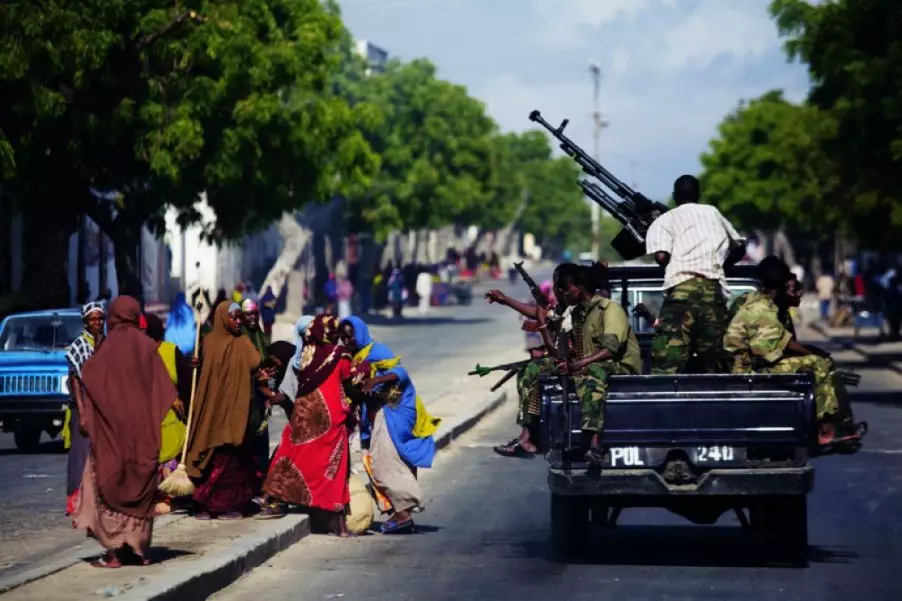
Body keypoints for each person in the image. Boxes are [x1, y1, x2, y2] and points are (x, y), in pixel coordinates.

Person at [72, 296, 178, 568]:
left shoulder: (107, 348)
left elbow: (89, 377)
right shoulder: (146, 345)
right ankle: (140, 550)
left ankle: (114, 553)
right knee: (140, 485)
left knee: (109, 483)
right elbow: (164, 391)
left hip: (112, 433)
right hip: (143, 433)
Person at [722, 258, 866, 448]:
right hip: (744, 372)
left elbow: (784, 342)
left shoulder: (766, 305)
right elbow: (769, 353)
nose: (797, 292)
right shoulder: (762, 309)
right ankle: (825, 430)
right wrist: (810, 357)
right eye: (790, 287)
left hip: (749, 365)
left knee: (817, 361)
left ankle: (839, 423)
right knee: (817, 365)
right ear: (779, 287)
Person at [339, 316, 439, 534]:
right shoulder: (354, 356)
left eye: (350, 335)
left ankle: (404, 510)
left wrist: (376, 381)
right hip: (377, 416)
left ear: (359, 332)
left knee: (385, 464)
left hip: (392, 413)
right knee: (382, 462)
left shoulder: (377, 350)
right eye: (343, 337)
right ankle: (400, 511)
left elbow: (400, 373)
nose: (347, 340)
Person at [534, 263, 642, 464]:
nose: (563, 294)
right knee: (536, 369)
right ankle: (533, 433)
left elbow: (611, 349)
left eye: (566, 288)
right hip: (593, 364)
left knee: (590, 371)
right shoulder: (577, 314)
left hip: (620, 366)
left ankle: (594, 443)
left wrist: (580, 363)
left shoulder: (609, 309)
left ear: (579, 287)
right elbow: (570, 349)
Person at [259, 316, 356, 535]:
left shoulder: (304, 355)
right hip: (331, 417)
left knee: (298, 457)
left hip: (304, 417)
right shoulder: (340, 355)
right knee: (333, 468)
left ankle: (275, 497)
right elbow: (348, 384)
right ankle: (339, 526)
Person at [646, 174, 745, 374]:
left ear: (674, 196)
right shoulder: (712, 213)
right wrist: (720, 265)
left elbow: (662, 257)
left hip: (681, 293)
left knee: (669, 358)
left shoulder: (666, 219)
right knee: (715, 357)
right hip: (713, 291)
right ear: (698, 194)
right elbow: (739, 247)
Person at [185, 302, 262, 520]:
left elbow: (256, 362)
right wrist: (194, 363)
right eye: (234, 318)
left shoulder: (243, 342)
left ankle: (229, 505)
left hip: (234, 412)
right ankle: (204, 505)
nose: (238, 322)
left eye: (240, 318)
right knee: (209, 455)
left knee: (231, 459)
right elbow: (197, 371)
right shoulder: (207, 342)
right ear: (222, 318)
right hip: (212, 411)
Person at [140, 314, 191, 515]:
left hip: (171, 418)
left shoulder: (170, 351)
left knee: (170, 456)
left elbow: (185, 383)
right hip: (146, 417)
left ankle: (173, 497)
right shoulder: (137, 353)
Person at [63, 301, 106, 515]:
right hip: (85, 406)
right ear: (85, 322)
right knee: (81, 454)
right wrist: (82, 413)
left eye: (100, 318)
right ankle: (76, 500)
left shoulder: (107, 343)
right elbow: (75, 381)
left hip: (105, 407)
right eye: (93, 319)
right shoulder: (78, 346)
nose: (97, 322)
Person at [164, 292, 197, 356]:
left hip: (172, 346)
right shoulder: (188, 310)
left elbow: (168, 326)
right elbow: (191, 327)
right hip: (187, 346)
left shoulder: (172, 310)